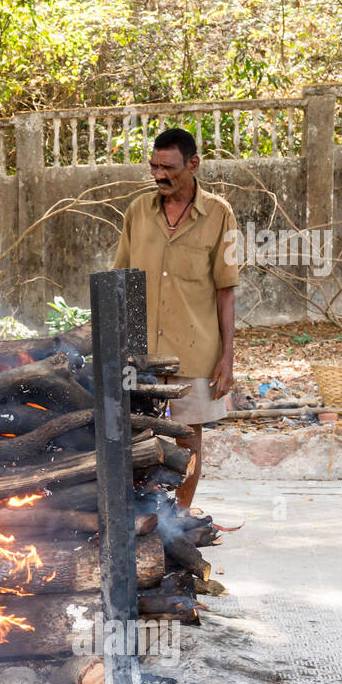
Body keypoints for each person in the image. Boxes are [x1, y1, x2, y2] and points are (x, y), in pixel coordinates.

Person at [111, 127, 238, 511]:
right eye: (153, 166)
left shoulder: (219, 214)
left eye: (167, 167)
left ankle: (180, 519)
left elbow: (225, 289)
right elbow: (120, 281)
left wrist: (227, 357)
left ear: (193, 164)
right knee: (134, 438)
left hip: (195, 351)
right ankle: (145, 518)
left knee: (188, 439)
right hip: (141, 354)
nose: (158, 175)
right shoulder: (137, 212)